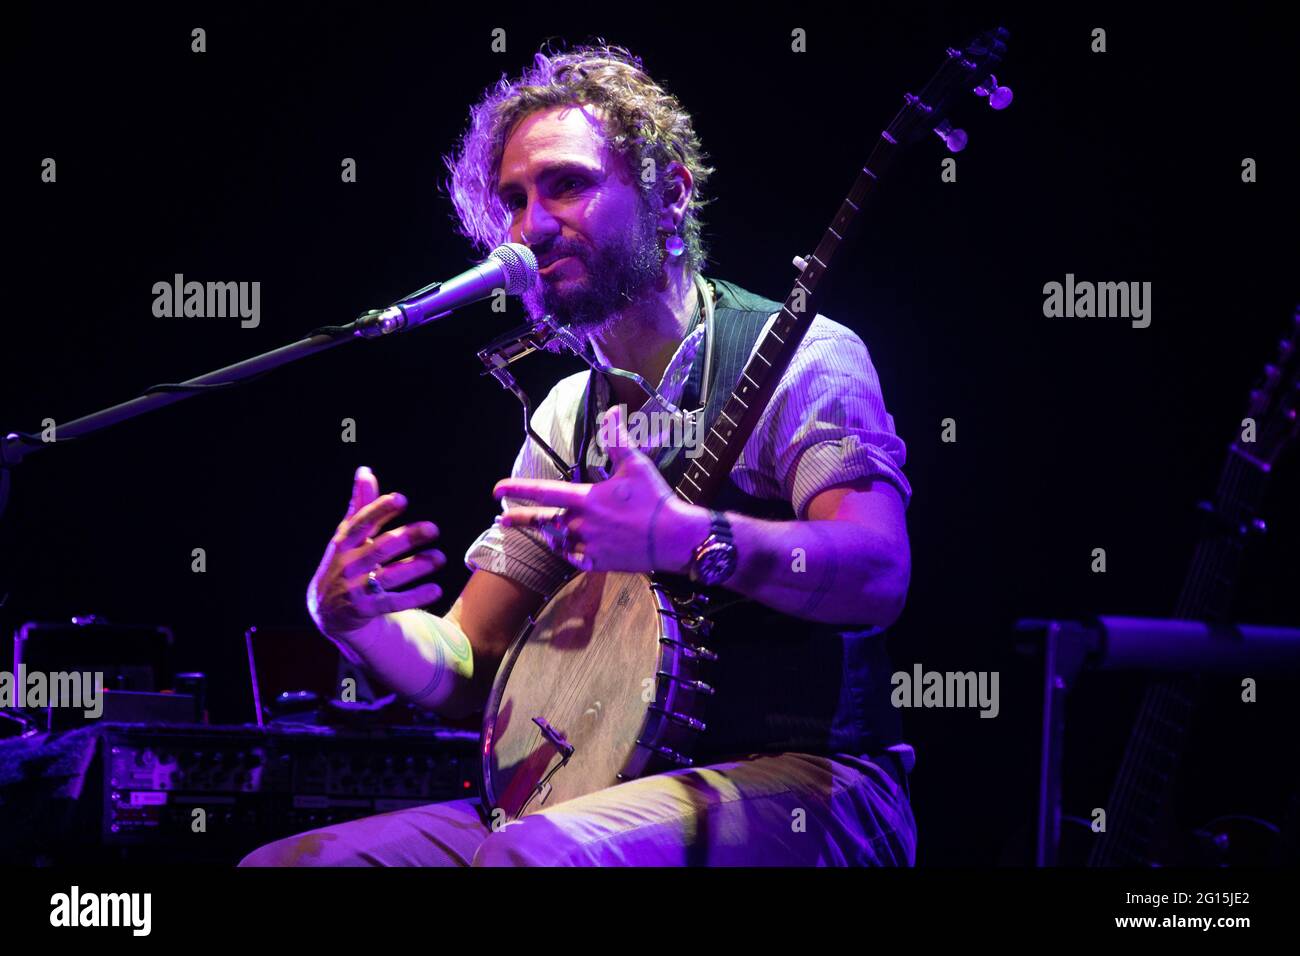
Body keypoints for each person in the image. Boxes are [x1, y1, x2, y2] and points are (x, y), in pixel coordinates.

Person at [240, 44, 917, 867]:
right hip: (601, 797)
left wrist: (684, 537)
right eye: (514, 200)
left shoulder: (804, 356)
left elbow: (878, 572)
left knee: (533, 858)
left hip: (812, 784)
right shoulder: (567, 416)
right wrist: (359, 624)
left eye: (567, 184)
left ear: (669, 193)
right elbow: (470, 663)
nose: (529, 225)